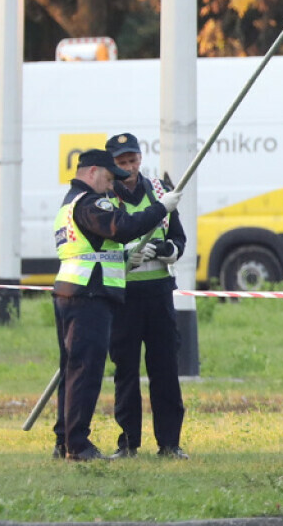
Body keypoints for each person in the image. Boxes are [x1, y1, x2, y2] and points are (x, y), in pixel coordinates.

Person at [51, 149, 179, 462]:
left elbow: (93, 249)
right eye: (109, 178)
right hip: (89, 295)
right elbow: (120, 227)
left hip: (75, 290)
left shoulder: (70, 204)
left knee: (71, 371)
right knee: (85, 372)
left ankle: (64, 441)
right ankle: (77, 446)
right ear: (92, 171)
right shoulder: (90, 202)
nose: (111, 187)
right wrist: (160, 208)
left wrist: (126, 256)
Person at [103, 132, 190, 459]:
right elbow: (102, 243)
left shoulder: (159, 191)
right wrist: (126, 255)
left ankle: (170, 444)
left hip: (158, 294)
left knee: (165, 369)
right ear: (112, 165)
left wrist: (170, 250)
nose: (129, 167)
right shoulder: (105, 197)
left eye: (133, 160)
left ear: (140, 157)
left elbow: (179, 238)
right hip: (123, 297)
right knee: (125, 371)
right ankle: (128, 444)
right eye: (122, 163)